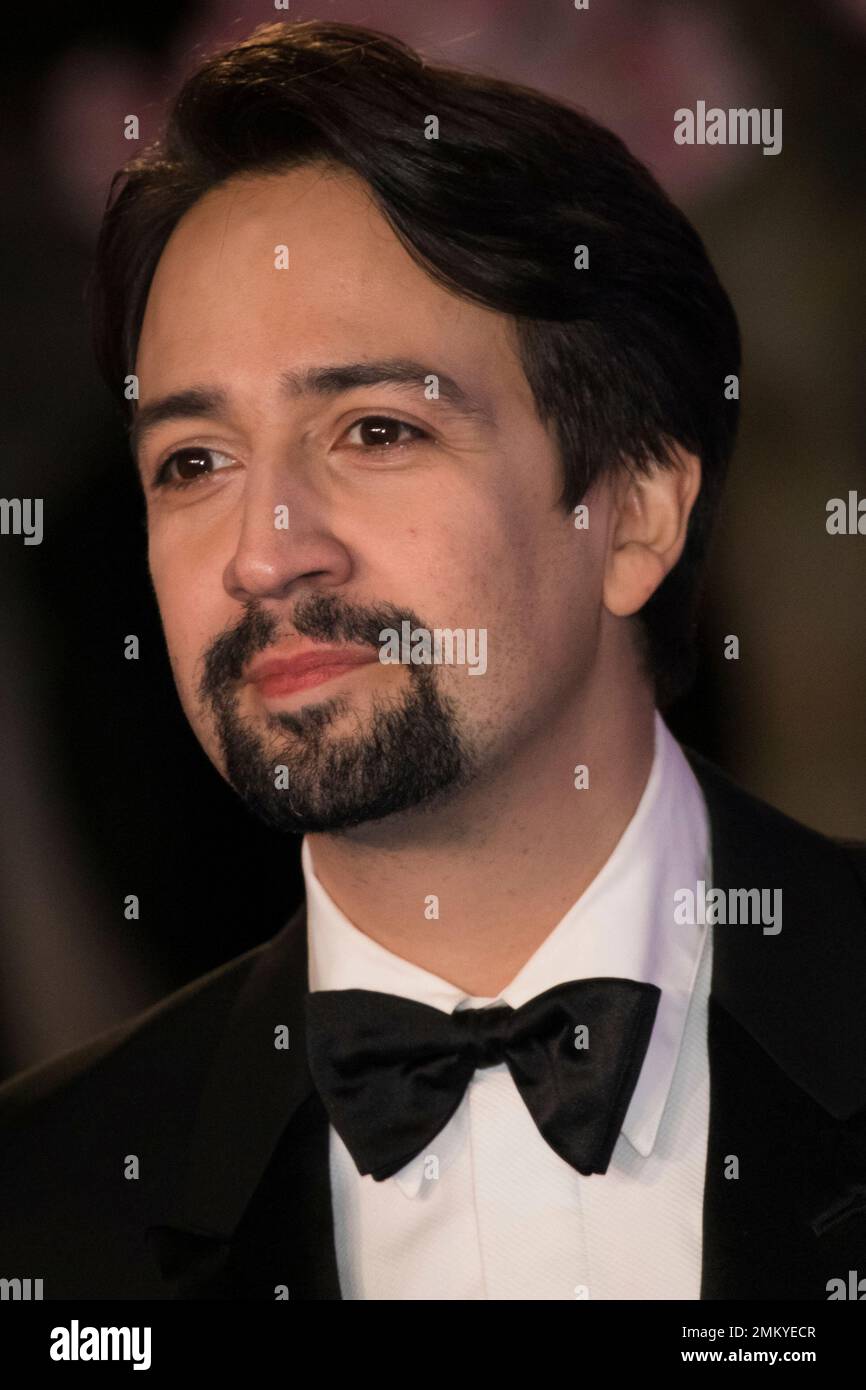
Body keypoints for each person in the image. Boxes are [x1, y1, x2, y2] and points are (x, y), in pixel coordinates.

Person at [1, 19, 864, 1302]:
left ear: (631, 513)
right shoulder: (44, 1199)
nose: (263, 552)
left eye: (374, 431)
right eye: (194, 462)